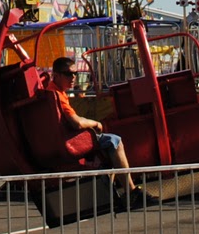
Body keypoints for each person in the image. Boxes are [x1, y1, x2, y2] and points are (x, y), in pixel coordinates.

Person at [48, 56, 142, 208]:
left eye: (75, 73)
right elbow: (76, 122)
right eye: (68, 74)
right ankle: (131, 192)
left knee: (108, 145)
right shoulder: (57, 95)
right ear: (56, 75)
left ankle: (112, 193)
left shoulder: (53, 92)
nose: (73, 77)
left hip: (63, 137)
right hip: (70, 140)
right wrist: (96, 123)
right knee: (115, 142)